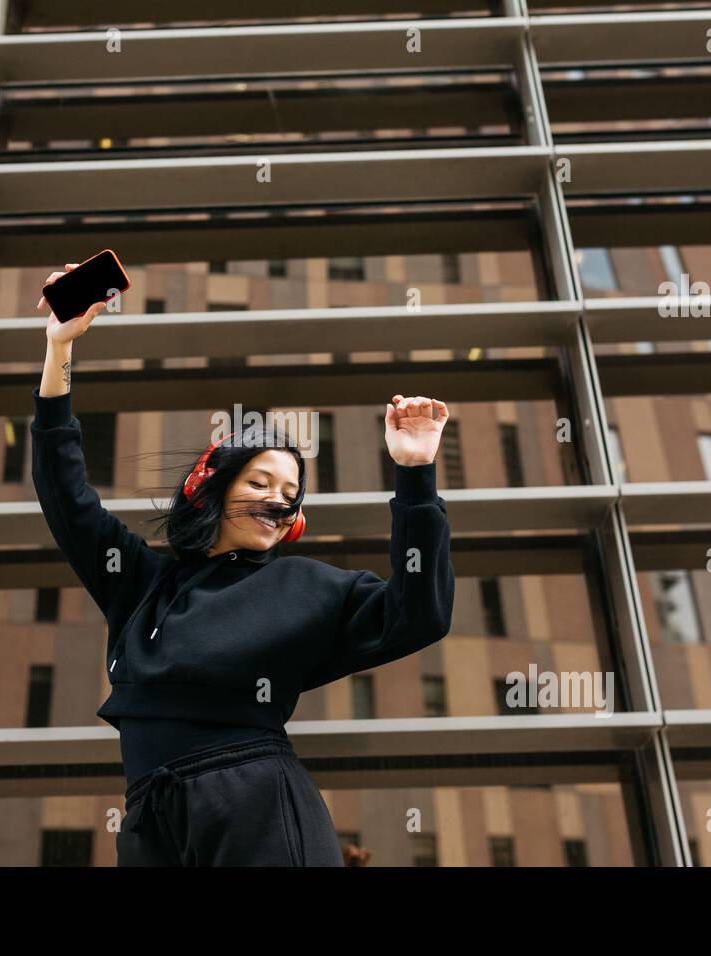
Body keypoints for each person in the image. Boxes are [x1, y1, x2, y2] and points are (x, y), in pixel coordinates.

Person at [32, 263, 455, 866]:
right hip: (150, 814)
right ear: (210, 486)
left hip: (253, 797)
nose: (279, 498)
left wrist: (415, 474)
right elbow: (64, 492)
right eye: (260, 480)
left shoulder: (307, 586)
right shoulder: (142, 584)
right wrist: (59, 349)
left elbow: (420, 614)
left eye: (290, 492)